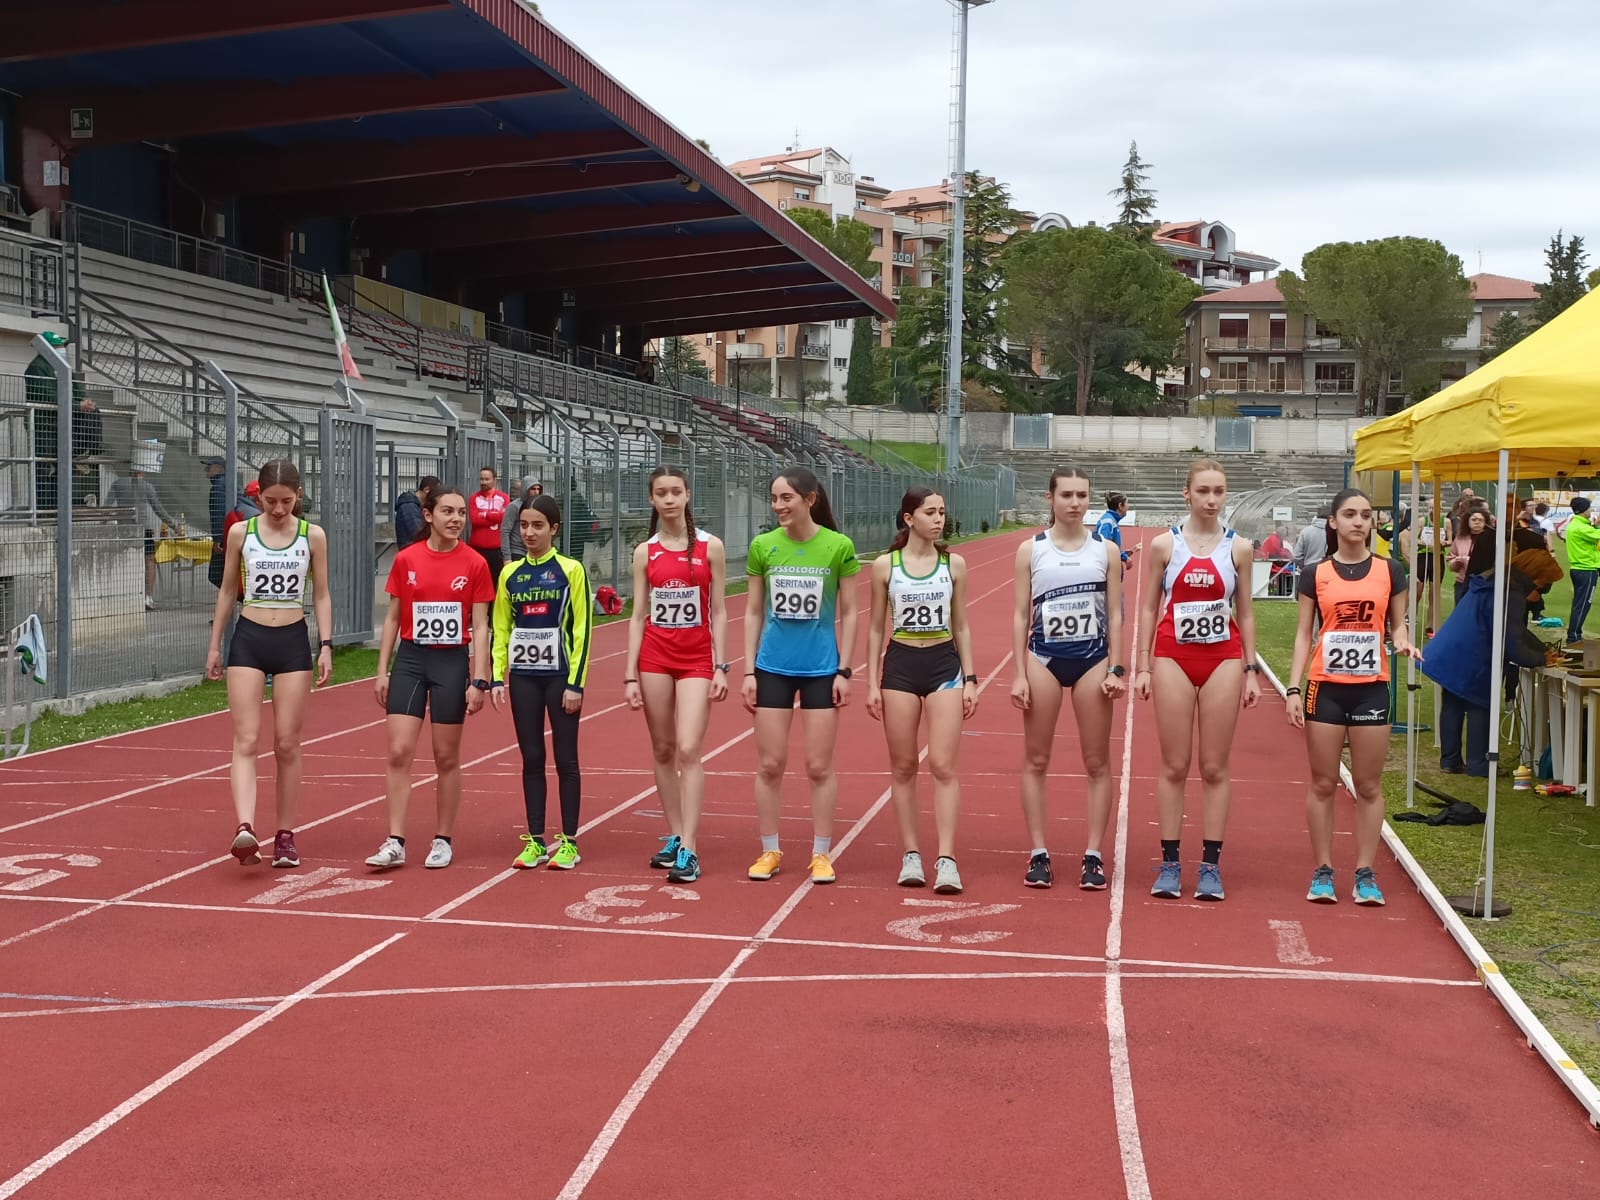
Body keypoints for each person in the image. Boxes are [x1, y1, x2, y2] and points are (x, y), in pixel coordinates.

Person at [1133, 458, 1262, 901]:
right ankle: (1170, 863)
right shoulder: (1163, 546)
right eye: (1203, 491)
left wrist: (1250, 670)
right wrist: (1144, 664)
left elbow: (1244, 611)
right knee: (1174, 765)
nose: (1211, 499)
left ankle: (1210, 865)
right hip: (1173, 656)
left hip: (1223, 660)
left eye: (1219, 491)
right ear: (1186, 494)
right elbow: (1149, 607)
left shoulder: (1239, 548)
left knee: (1213, 766)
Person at [1286, 488, 1418, 906]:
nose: (1359, 522)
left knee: (1368, 785)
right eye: (1350, 514)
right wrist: (1293, 687)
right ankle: (1322, 870)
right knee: (1323, 783)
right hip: (1325, 688)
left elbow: (1398, 625)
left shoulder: (1391, 569)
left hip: (1371, 689)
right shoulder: (1315, 574)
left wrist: (1402, 642)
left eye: (1365, 515)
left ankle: (1365, 872)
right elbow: (1304, 634)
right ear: (1333, 522)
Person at [204, 460, 334, 868]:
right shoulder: (242, 532)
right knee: (245, 739)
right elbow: (227, 591)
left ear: (298, 496)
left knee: (286, 744)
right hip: (250, 637)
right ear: (258, 496)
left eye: (287, 501)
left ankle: (285, 834)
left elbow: (322, 595)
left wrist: (325, 644)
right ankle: (245, 827)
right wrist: (214, 647)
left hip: (292, 640)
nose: (278, 510)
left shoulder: (312, 535)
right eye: (270, 501)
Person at [1009, 468, 1126, 890]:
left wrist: (1117, 667)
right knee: (1037, 760)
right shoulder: (1031, 550)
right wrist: (1018, 674)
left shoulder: (1106, 551)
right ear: (1050, 498)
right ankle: (1038, 853)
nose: (1075, 503)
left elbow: (1115, 613)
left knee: (1096, 763)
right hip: (1043, 658)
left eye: (1082, 495)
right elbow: (1021, 614)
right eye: (1067, 495)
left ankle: (1093, 854)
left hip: (1093, 660)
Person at [743, 466, 860, 885]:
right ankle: (770, 849)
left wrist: (845, 670)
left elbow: (850, 613)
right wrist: (748, 670)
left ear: (809, 499)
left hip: (821, 670)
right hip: (772, 666)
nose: (778, 506)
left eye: (786, 498)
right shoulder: (763, 547)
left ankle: (821, 853)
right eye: (774, 498)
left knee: (817, 766)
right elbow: (754, 610)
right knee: (770, 764)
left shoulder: (838, 547)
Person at [367, 485, 494, 870]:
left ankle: (442, 838)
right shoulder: (406, 560)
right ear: (428, 516)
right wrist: (381, 669)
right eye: (447, 512)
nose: (456, 519)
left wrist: (480, 678)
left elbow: (482, 626)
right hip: (411, 659)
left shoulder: (475, 563)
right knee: (399, 752)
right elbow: (392, 617)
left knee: (445, 756)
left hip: (451, 662)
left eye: (461, 513)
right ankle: (396, 840)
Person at [865, 487, 978, 894]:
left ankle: (946, 858)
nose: (939, 519)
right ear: (908, 518)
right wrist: (870, 683)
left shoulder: (954, 564)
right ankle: (911, 854)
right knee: (903, 767)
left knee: (944, 766)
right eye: (930, 512)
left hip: (943, 664)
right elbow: (876, 627)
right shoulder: (885, 566)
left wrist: (971, 678)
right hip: (900, 666)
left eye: (942, 512)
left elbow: (962, 624)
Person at [623, 467, 730, 883]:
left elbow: (719, 610)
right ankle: (673, 833)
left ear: (688, 495)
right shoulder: (643, 552)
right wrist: (630, 673)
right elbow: (636, 615)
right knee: (664, 748)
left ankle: (690, 847)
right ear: (652, 500)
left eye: (676, 492)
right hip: (655, 656)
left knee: (689, 747)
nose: (669, 499)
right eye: (661, 493)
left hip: (697, 658)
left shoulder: (711, 547)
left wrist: (723, 664)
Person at [491, 494, 594, 870]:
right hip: (524, 679)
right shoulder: (509, 574)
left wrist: (576, 683)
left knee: (566, 758)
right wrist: (498, 676)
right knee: (532, 757)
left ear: (554, 528)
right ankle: (535, 840)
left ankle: (568, 841)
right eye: (524, 525)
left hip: (560, 678)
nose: (529, 532)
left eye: (538, 526)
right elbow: (501, 626)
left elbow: (582, 628)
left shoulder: (571, 570)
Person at [105, 467, 185, 610]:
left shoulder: (117, 484)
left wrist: (104, 524)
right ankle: (148, 597)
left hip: (123, 528)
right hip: (143, 529)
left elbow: (107, 505)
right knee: (149, 560)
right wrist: (174, 526)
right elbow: (158, 509)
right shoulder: (147, 486)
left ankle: (125, 593)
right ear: (141, 472)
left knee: (123, 560)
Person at [1561, 496, 1599, 644]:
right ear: (1583, 510)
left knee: (1579, 603)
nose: (1591, 510)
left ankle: (1575, 634)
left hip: (1580, 568)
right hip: (1586, 569)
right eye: (1589, 507)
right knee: (1583, 604)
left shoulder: (1577, 524)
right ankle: (1574, 636)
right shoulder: (1581, 527)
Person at [468, 466, 509, 582]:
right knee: (477, 580)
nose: (483, 482)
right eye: (481, 479)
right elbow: (475, 519)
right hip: (477, 548)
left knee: (496, 581)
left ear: (494, 480)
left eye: (487, 479)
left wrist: (485, 514)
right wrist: (495, 515)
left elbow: (503, 517)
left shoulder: (503, 498)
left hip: (496, 549)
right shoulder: (474, 498)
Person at [1094, 491, 1138, 574]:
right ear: (1120, 506)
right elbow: (1103, 548)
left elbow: (1110, 547)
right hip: (1105, 572)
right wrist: (1124, 557)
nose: (1128, 506)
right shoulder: (1108, 522)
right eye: (1127, 503)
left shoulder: (1112, 521)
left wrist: (1123, 553)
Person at [501, 482, 541, 564]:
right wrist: (507, 557)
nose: (536, 492)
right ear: (525, 490)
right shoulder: (514, 506)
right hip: (517, 552)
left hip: (533, 552)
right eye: (533, 489)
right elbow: (505, 531)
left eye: (538, 489)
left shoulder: (538, 507)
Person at [394, 474, 437, 549]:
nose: (435, 498)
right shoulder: (409, 506)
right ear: (427, 490)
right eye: (434, 494)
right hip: (412, 550)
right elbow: (418, 532)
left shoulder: (412, 504)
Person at [205, 457, 228, 589]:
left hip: (224, 537)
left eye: (210, 466)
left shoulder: (219, 486)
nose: (207, 469)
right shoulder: (224, 483)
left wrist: (218, 539)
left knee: (215, 575)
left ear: (219, 468)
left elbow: (218, 513)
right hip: (228, 534)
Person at [1291, 504, 1331, 579]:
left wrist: (1304, 567)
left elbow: (1297, 555)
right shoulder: (1336, 533)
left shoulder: (1305, 531)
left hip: (1308, 571)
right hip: (1328, 572)